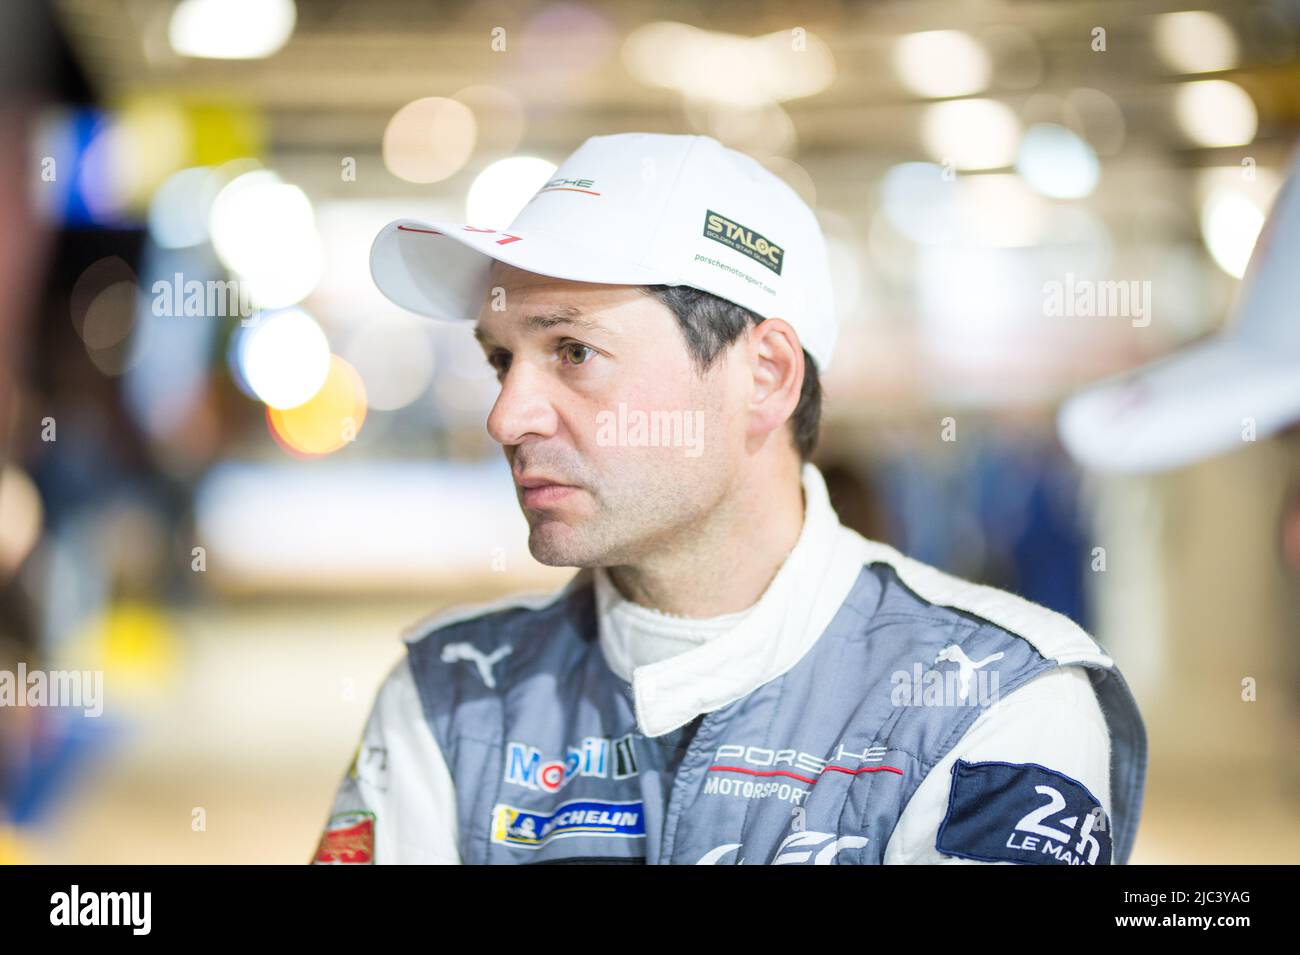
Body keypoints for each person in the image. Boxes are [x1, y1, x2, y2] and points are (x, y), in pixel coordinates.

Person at [313, 132, 1146, 865]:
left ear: (766, 375)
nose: (506, 415)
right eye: (502, 360)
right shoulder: (450, 695)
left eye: (571, 350)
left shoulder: (994, 700)